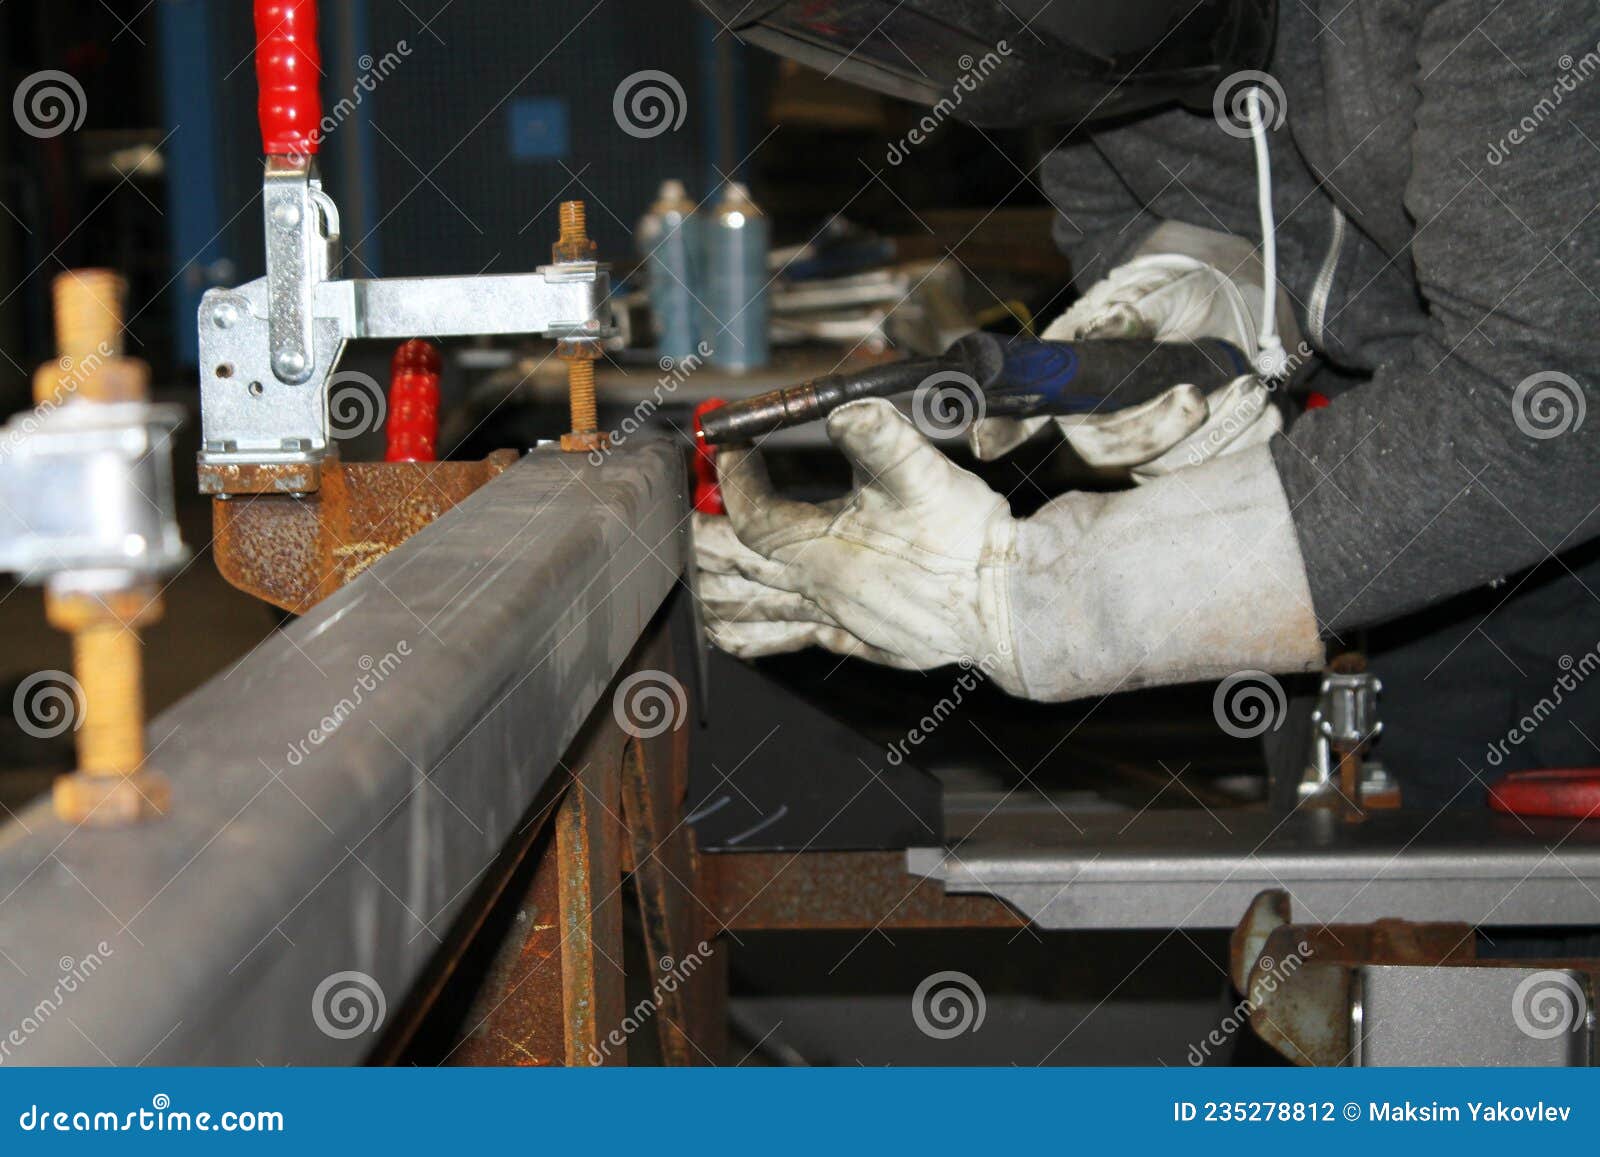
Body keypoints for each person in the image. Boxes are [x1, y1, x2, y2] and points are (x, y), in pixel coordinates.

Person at [692, 0, 1600, 809]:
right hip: (1395, 494)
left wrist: (1043, 596)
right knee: (1377, 874)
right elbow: (1128, 206)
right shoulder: (1067, 39)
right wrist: (1225, 286)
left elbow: (1547, 395)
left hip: (1539, 501)